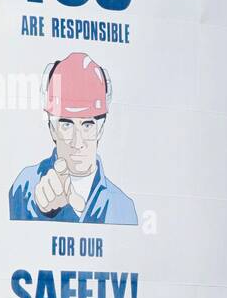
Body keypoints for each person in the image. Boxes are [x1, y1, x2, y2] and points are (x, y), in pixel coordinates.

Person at [9, 52, 137, 225]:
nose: (77, 142)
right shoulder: (25, 186)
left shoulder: (123, 207)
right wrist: (41, 209)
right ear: (52, 128)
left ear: (101, 129)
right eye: (67, 125)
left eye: (87, 125)